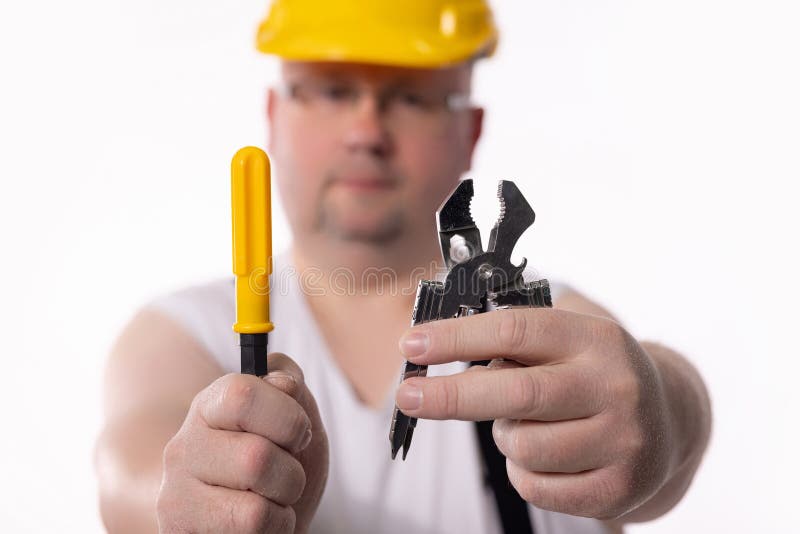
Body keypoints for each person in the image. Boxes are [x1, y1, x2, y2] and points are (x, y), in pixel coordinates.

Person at [94, 2, 712, 533]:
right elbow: (131, 465)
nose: (366, 131)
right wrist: (181, 497)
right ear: (275, 119)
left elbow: (651, 388)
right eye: (334, 89)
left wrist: (663, 414)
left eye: (412, 96)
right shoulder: (188, 331)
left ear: (469, 134)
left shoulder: (533, 321)